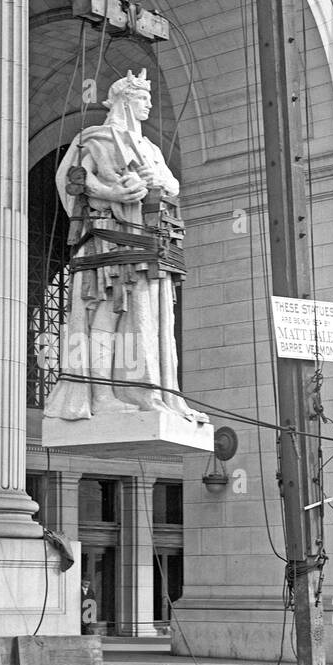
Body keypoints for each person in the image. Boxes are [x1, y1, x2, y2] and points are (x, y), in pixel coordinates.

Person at [44, 70, 206, 424]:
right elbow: (70, 179)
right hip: (107, 240)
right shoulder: (94, 139)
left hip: (149, 246)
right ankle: (101, 394)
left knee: (145, 320)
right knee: (105, 315)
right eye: (142, 98)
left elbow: (172, 185)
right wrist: (111, 192)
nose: (149, 104)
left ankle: (150, 392)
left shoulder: (150, 148)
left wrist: (157, 180)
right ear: (124, 100)